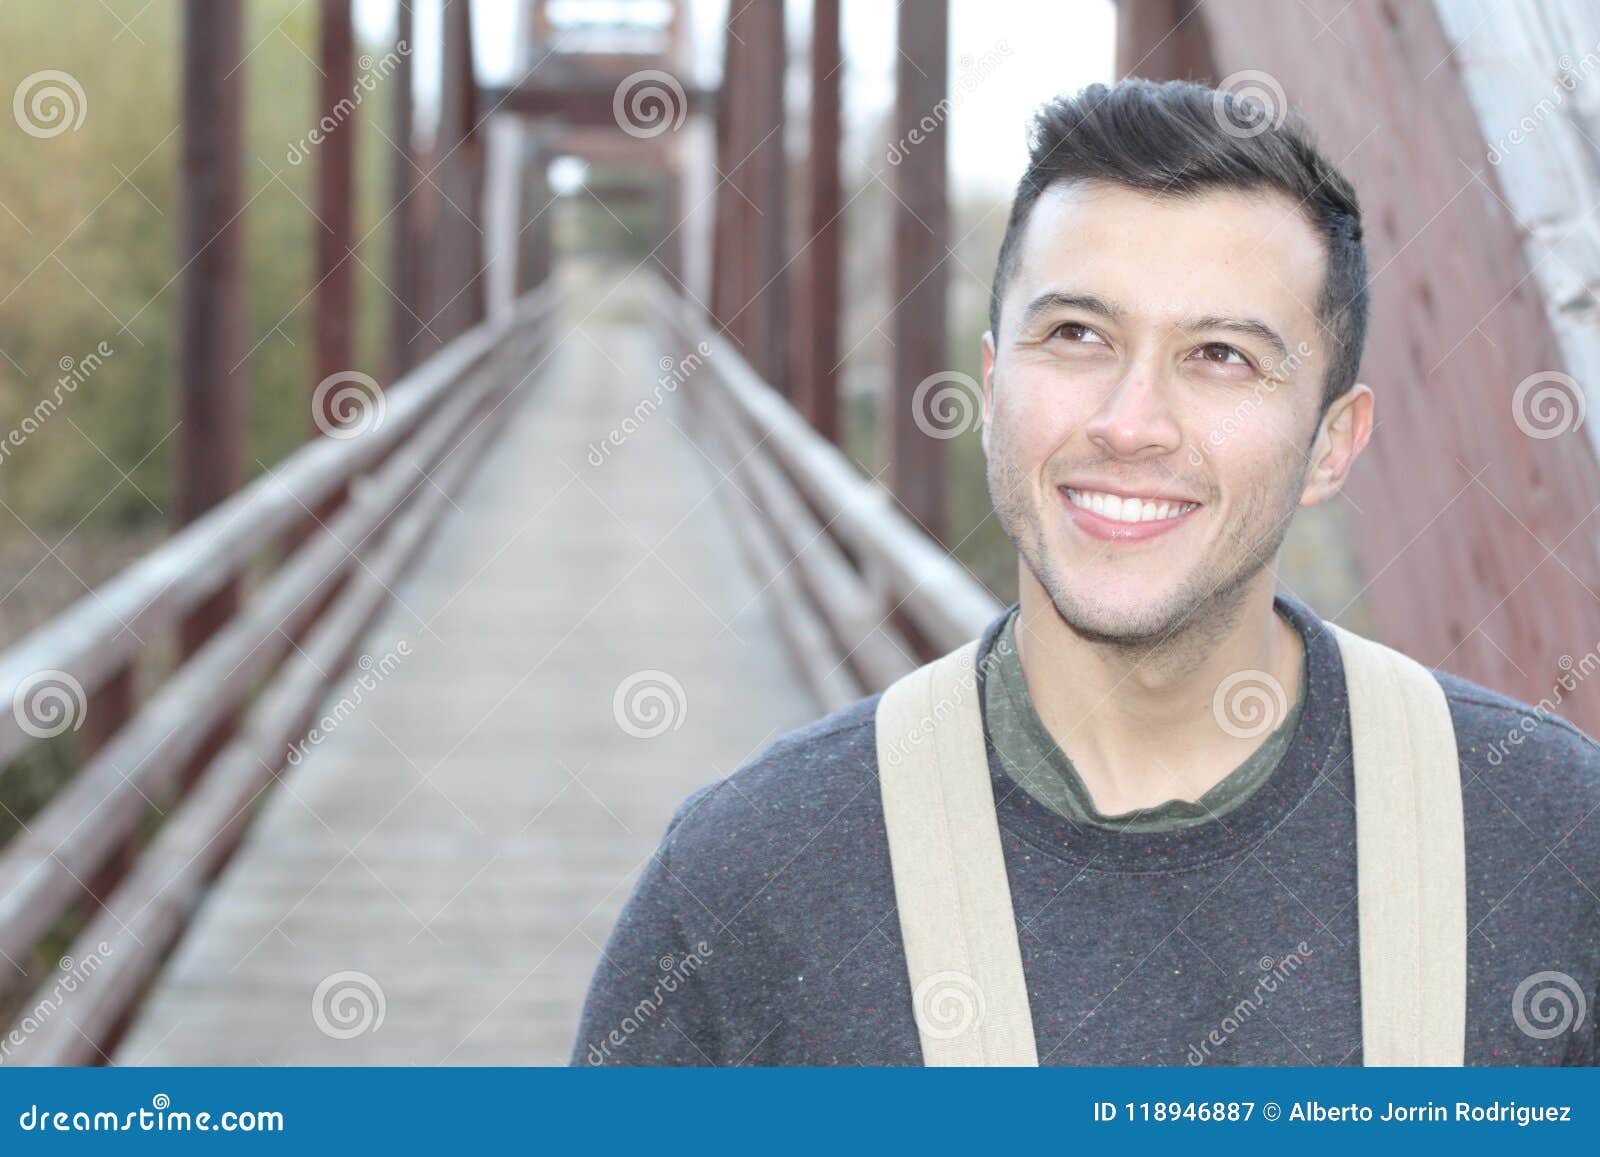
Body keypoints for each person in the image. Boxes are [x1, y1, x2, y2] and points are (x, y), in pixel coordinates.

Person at [572, 78, 1600, 1066]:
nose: (1128, 423)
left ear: (1333, 443)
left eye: (1222, 355)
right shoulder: (748, 881)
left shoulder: (1554, 838)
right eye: (1076, 334)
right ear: (990, 384)